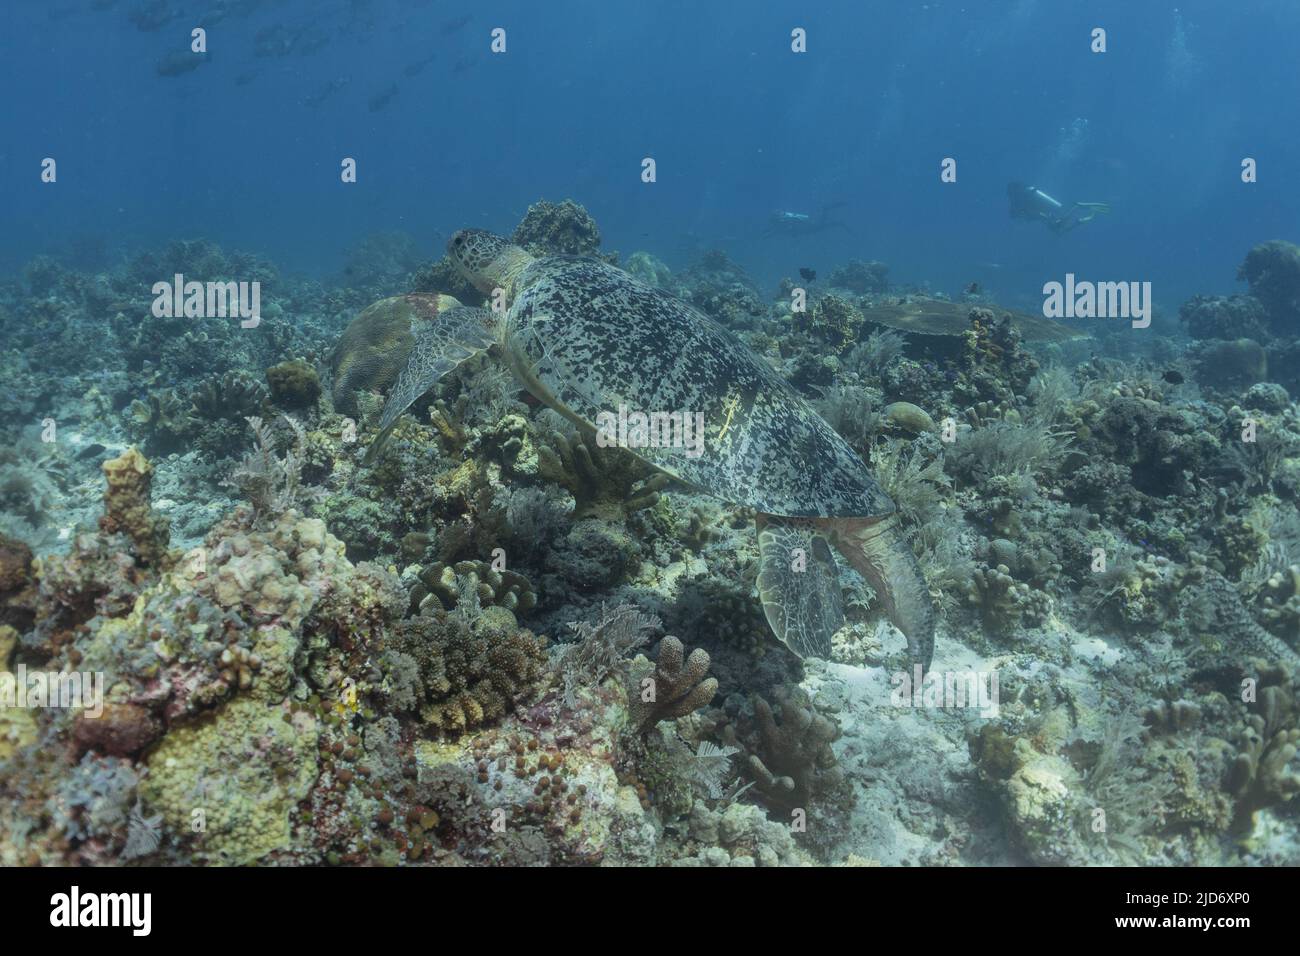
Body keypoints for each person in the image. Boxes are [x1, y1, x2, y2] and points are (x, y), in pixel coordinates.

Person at [1007, 181, 1110, 235]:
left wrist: (1046, 218)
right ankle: (1078, 219)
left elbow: (1038, 215)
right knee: (1058, 230)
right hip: (1046, 211)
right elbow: (1037, 214)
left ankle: (1077, 207)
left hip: (1047, 212)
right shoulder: (1021, 202)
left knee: (1058, 226)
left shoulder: (1020, 204)